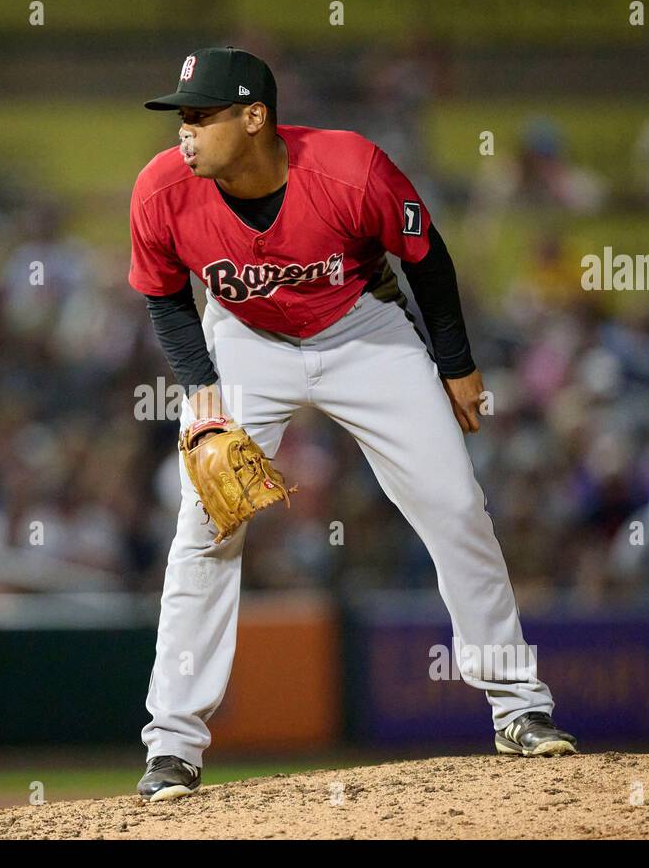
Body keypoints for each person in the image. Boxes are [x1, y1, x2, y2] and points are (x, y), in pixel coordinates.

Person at [129, 47, 578, 802]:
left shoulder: (349, 168)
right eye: (182, 116)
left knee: (456, 504)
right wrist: (203, 393)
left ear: (253, 116)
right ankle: (172, 744)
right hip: (244, 340)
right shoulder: (162, 189)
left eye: (201, 115)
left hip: (362, 331)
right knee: (206, 528)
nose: (185, 130)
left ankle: (519, 707)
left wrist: (457, 363)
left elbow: (426, 258)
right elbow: (164, 296)